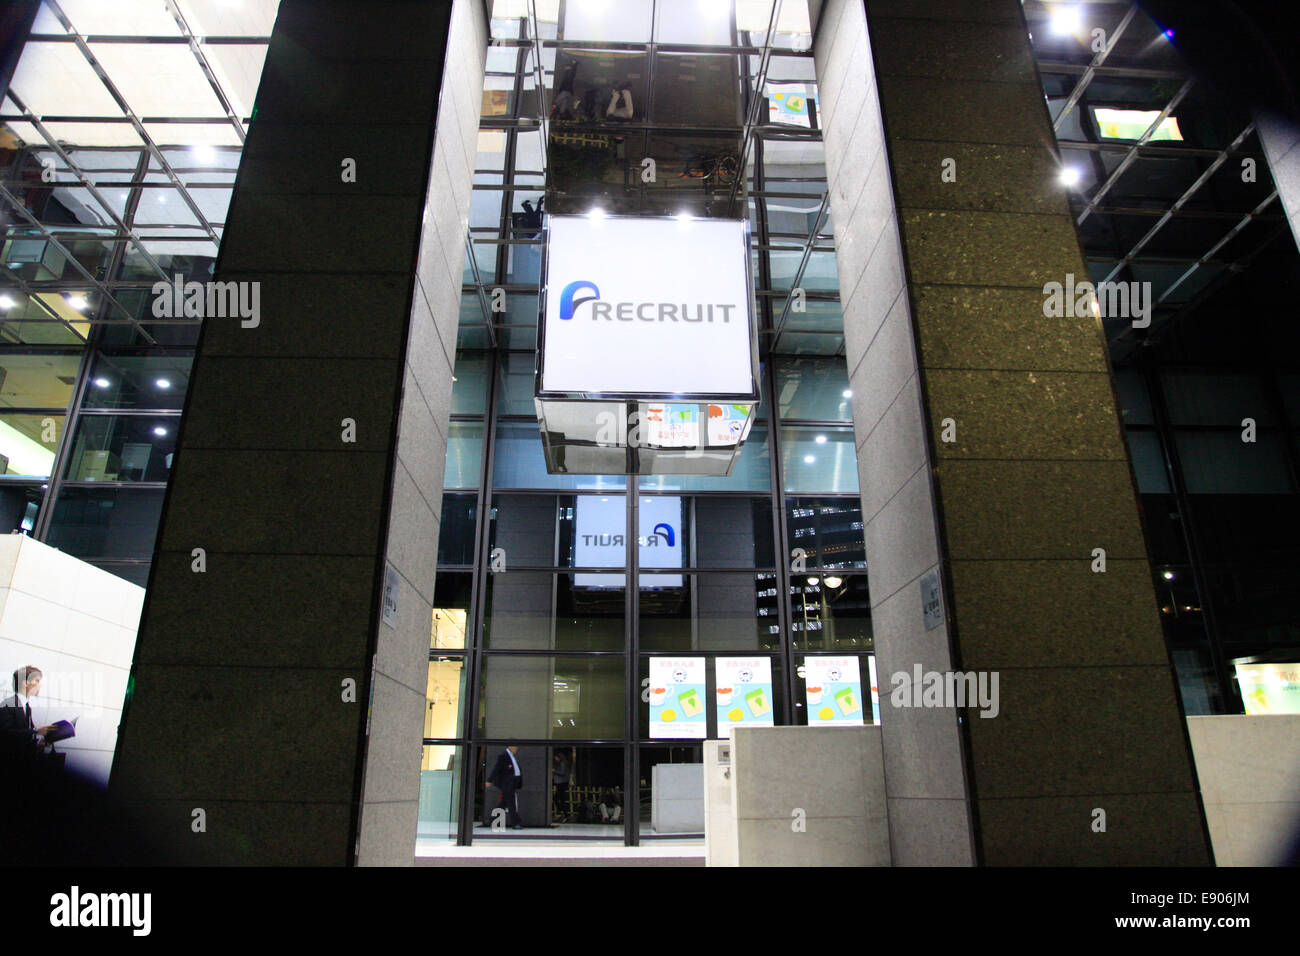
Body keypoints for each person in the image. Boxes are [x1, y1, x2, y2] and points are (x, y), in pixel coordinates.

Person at [0, 666, 58, 758]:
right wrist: (36, 731)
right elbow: (5, 735)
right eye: (37, 681)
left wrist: (40, 743)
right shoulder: (8, 705)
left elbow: (23, 738)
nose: (40, 685)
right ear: (25, 683)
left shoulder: (27, 707)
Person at [486, 745, 523, 829]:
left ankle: (491, 820)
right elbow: (497, 768)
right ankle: (516, 823)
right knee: (511, 804)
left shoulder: (512, 756)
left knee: (503, 803)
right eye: (515, 747)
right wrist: (489, 780)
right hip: (507, 784)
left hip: (513, 783)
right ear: (510, 747)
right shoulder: (503, 756)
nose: (516, 749)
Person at [552, 750, 571, 823]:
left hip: (561, 783)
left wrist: (554, 771)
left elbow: (562, 773)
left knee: (559, 799)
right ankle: (563, 813)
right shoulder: (561, 764)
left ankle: (564, 814)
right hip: (561, 783)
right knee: (559, 799)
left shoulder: (562, 764)